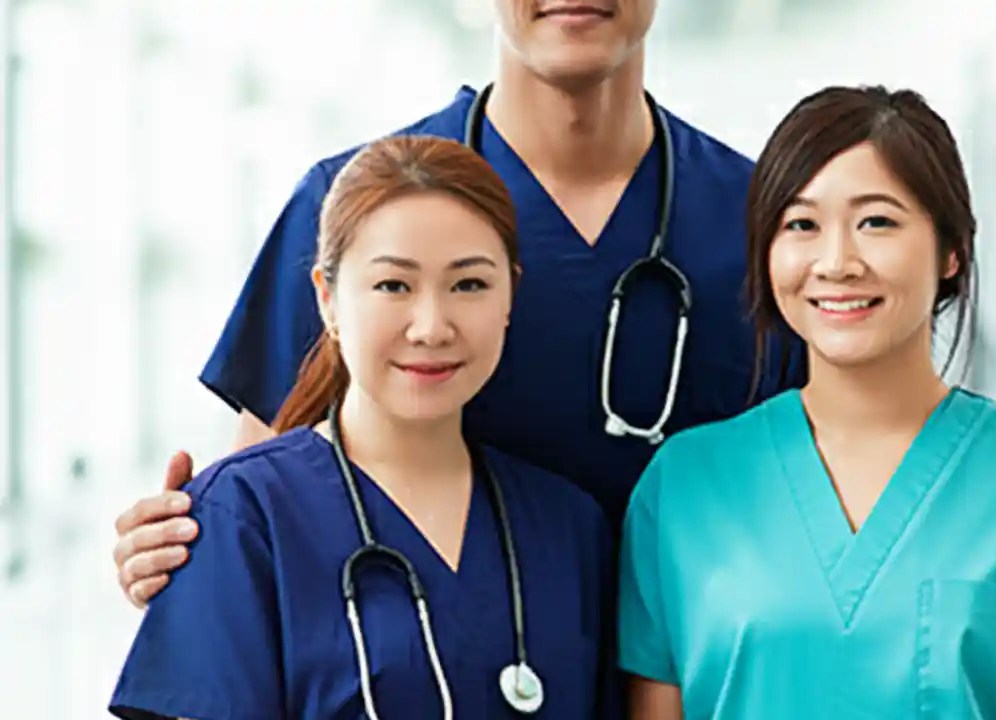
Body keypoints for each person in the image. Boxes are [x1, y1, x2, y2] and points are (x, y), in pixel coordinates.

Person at [111, 0, 996, 609]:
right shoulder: (355, 211)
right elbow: (261, 495)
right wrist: (179, 554)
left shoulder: (767, 225)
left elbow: (886, 458)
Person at [619, 86, 996, 719]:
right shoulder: (684, 485)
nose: (836, 262)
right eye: (801, 225)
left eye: (877, 222)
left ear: (952, 251)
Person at [108, 136, 619, 720]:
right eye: (393, 285)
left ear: (510, 296)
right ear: (327, 299)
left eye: (469, 284)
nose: (431, 327)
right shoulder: (240, 516)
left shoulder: (569, 529)